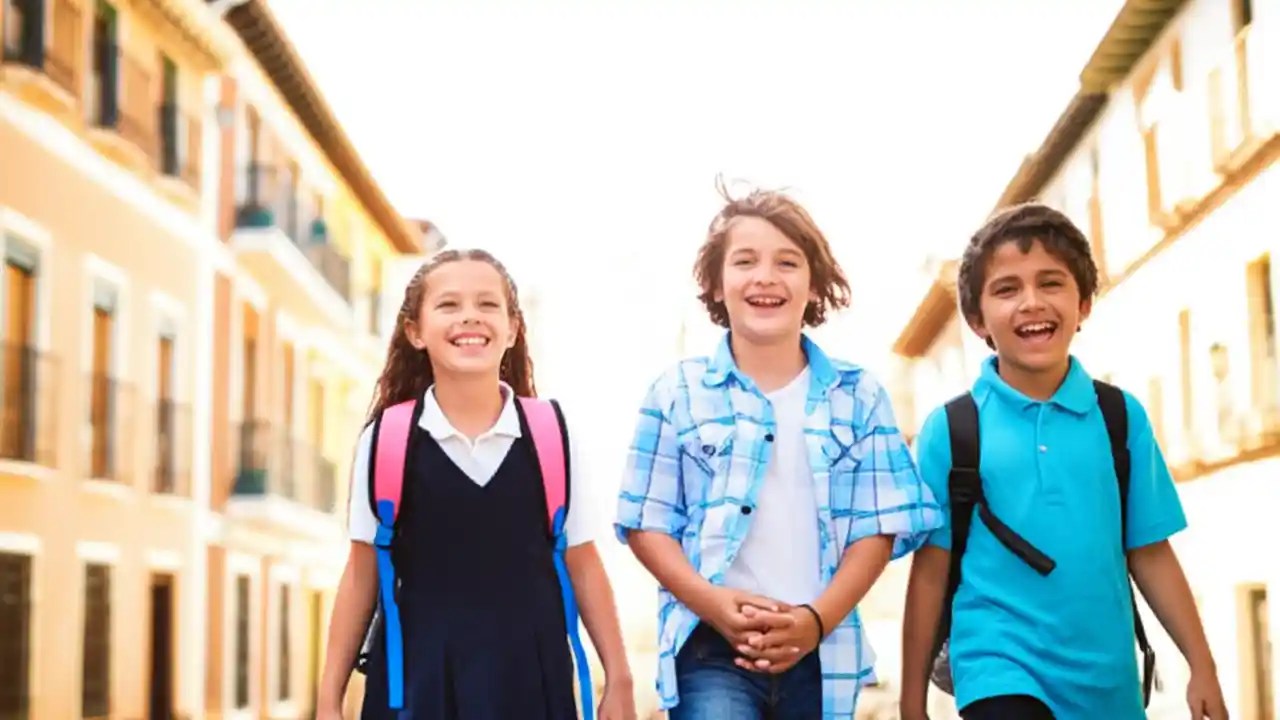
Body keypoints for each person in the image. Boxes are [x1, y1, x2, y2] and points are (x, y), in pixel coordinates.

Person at [615, 179, 943, 720]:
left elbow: (878, 528)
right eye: (745, 261)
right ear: (717, 286)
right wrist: (713, 604)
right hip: (709, 644)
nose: (765, 277)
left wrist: (816, 620)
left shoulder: (857, 396)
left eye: (787, 263)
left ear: (814, 286)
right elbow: (646, 522)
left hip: (820, 646)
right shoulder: (675, 393)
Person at [898, 202, 1227, 720]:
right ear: (978, 318)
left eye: (1051, 283)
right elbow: (931, 571)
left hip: (1107, 679)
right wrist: (910, 700)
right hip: (996, 668)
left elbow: (1150, 552)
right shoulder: (952, 430)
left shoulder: (1119, 418)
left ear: (1084, 304)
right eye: (1007, 289)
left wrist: (1201, 665)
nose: (1031, 303)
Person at [315, 249, 636, 720]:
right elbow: (362, 573)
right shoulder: (387, 440)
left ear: (512, 328)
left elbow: (582, 561)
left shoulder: (552, 434)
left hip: (531, 686)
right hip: (415, 689)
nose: (470, 317)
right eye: (448, 305)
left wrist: (620, 678)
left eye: (487, 305)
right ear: (415, 331)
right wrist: (329, 699)